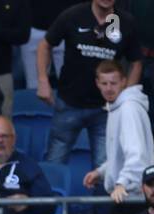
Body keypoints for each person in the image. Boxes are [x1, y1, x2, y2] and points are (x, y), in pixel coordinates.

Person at [36, 0, 142, 171]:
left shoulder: (126, 22)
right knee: (54, 164)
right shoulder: (73, 15)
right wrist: (42, 80)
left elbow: (136, 62)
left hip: (105, 109)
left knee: (105, 170)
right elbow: (45, 45)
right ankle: (52, 198)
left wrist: (126, 96)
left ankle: (103, 198)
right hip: (69, 102)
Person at [82, 59, 153, 214]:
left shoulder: (127, 109)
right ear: (97, 83)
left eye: (113, 83)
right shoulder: (118, 108)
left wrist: (122, 184)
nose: (108, 88)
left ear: (123, 82)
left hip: (132, 197)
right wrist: (101, 172)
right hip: (130, 195)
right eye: (104, 83)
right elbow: (121, 155)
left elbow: (136, 154)